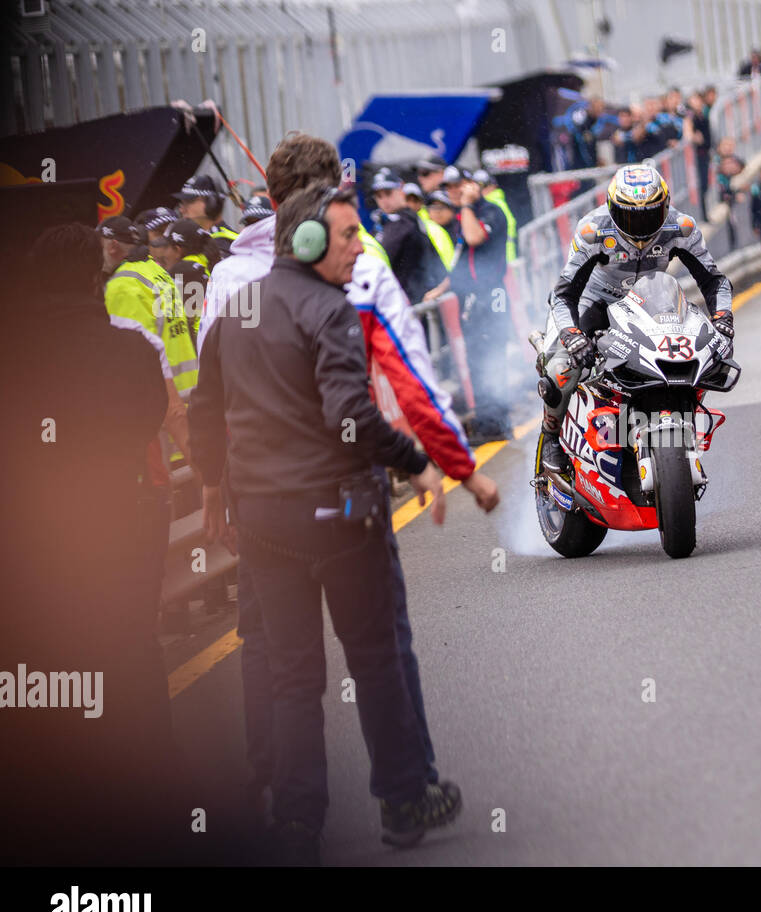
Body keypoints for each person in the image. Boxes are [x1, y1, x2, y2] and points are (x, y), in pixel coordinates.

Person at [198, 134, 496, 843]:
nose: (359, 244)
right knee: (378, 652)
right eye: (347, 228)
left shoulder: (230, 293)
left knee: (288, 673)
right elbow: (356, 415)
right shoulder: (337, 302)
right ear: (310, 230)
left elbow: (204, 410)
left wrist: (217, 490)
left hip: (263, 517)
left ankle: (292, 815)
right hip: (343, 510)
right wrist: (428, 464)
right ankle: (405, 795)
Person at [3, 224, 180, 865]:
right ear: (93, 276)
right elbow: (145, 416)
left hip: (34, 534)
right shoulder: (129, 347)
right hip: (125, 511)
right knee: (134, 643)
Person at [537, 164, 734, 473]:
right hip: (595, 303)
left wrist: (723, 318)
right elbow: (564, 294)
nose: (641, 225)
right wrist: (571, 334)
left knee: (699, 351)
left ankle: (678, 419)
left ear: (666, 205)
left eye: (650, 213)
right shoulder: (593, 230)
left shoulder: (681, 227)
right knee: (561, 369)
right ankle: (550, 436)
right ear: (612, 207)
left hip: (651, 301)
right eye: (630, 215)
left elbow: (714, 281)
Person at [99, 216, 194, 464]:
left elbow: (133, 355)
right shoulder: (155, 270)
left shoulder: (122, 285)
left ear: (111, 246)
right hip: (188, 393)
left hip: (163, 407)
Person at [445, 168, 513, 439]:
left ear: (473, 185)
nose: (453, 191)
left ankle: (494, 424)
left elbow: (474, 238)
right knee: (477, 359)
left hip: (492, 296)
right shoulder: (465, 215)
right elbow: (462, 260)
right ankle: (491, 421)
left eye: (458, 185)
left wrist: (466, 205)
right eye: (449, 187)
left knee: (489, 357)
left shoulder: (490, 211)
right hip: (475, 299)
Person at [373, 167, 440, 307]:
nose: (384, 200)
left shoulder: (403, 222)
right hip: (408, 299)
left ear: (401, 189)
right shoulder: (388, 222)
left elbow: (379, 261)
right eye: (379, 196)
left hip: (414, 301)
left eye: (388, 193)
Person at [173, 173, 238, 256]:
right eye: (182, 203)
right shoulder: (202, 239)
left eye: (189, 201)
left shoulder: (222, 244)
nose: (181, 209)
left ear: (212, 204)